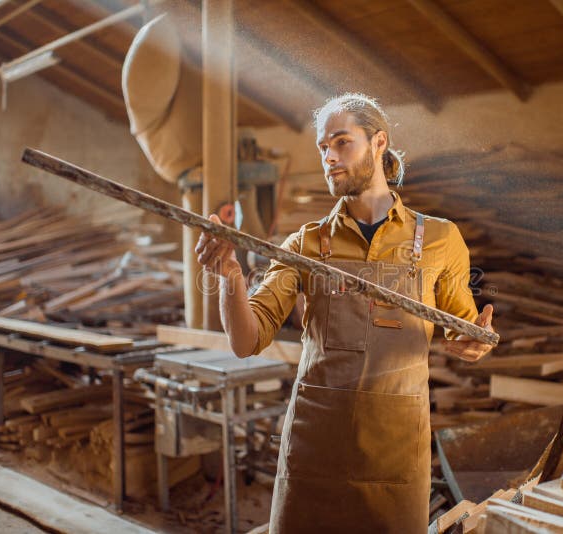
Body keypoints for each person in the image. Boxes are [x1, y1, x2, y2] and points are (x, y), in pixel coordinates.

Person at [196, 93, 494, 533]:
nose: (329, 157)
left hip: (395, 459)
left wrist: (476, 343)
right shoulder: (306, 244)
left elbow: (464, 332)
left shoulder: (440, 241)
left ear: (378, 143)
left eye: (341, 143)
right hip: (314, 453)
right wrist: (230, 274)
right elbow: (245, 340)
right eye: (323, 148)